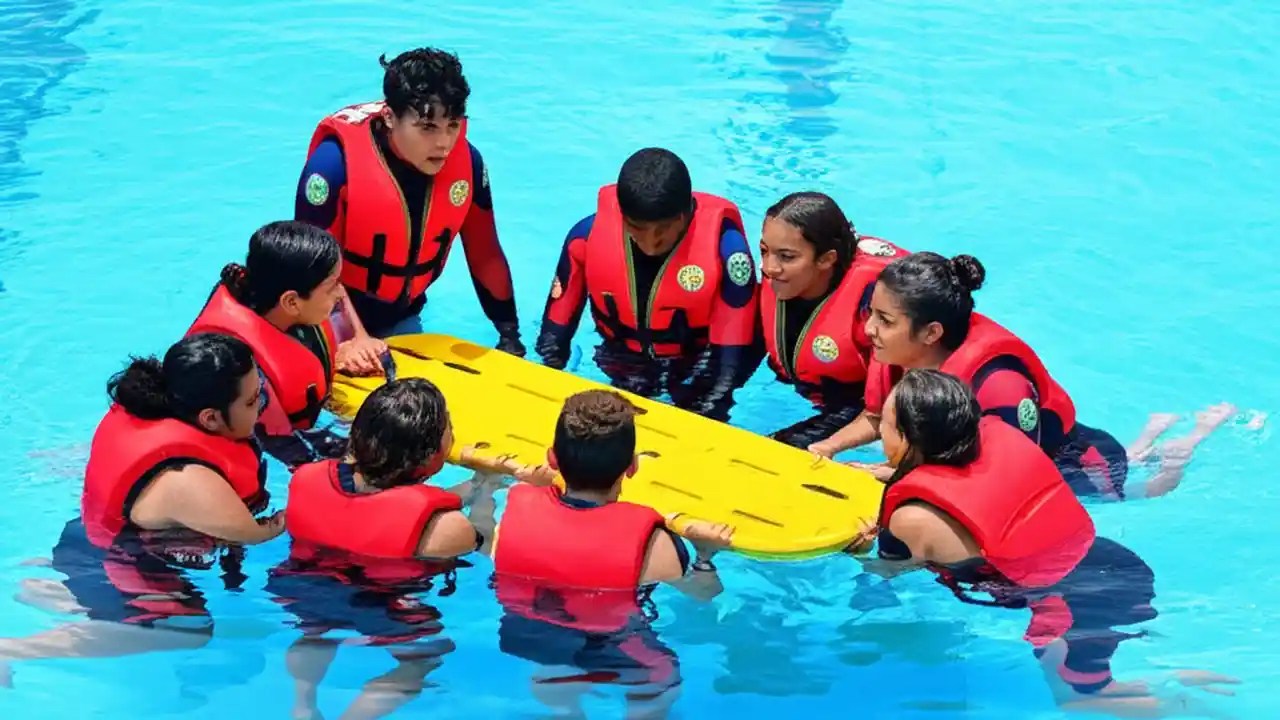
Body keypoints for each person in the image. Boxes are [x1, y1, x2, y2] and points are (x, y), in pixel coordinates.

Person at [849, 369, 1239, 714]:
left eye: (883, 424)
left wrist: (858, 543)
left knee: (1080, 700)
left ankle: (1185, 707)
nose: (879, 432)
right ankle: (1178, 678)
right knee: (1085, 673)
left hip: (1073, 600)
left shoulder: (908, 518)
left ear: (904, 438)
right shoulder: (992, 441)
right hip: (1112, 562)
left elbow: (887, 571)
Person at [812, 252, 1236, 500]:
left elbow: (1003, 475)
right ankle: (1147, 439)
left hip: (1073, 464)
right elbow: (875, 417)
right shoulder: (900, 351)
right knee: (1136, 458)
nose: (868, 330)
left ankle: (1186, 443)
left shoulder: (999, 384)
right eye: (872, 314)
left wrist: (890, 474)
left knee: (1143, 493)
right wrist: (826, 448)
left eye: (884, 320)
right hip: (1015, 457)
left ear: (930, 333)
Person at [0, 334, 283, 680]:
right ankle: (16, 649)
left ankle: (57, 592)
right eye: (254, 400)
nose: (263, 404)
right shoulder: (190, 481)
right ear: (210, 418)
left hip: (82, 540)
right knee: (187, 630)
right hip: (116, 566)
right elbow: (257, 533)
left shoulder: (162, 409)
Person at [272, 377, 527, 720]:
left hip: (306, 586)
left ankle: (302, 704)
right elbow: (480, 538)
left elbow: (379, 506)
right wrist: (486, 495)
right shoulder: (446, 528)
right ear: (432, 454)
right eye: (448, 425)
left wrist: (478, 482)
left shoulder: (308, 478)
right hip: (381, 603)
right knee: (427, 656)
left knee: (314, 634)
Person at [491, 389, 734, 717]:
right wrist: (706, 556)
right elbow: (704, 595)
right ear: (632, 467)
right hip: (610, 645)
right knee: (662, 676)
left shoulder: (512, 512)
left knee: (553, 675)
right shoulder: (655, 544)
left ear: (552, 458)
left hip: (528, 634)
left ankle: (564, 706)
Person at [295, 47, 525, 356]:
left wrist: (509, 333)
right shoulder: (333, 168)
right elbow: (310, 271)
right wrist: (353, 338)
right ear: (390, 117)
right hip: (323, 316)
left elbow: (485, 254)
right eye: (428, 128)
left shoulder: (468, 164)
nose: (444, 143)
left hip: (402, 313)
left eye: (453, 125)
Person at [534, 148, 762, 421]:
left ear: (686, 213)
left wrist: (709, 406)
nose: (650, 244)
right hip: (621, 360)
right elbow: (553, 338)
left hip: (696, 365)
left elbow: (729, 363)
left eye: (663, 231)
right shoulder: (585, 239)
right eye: (637, 229)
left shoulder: (728, 253)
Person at [187, 220, 362, 467]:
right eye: (332, 286)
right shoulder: (243, 365)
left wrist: (360, 339)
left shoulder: (289, 304)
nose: (340, 293)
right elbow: (284, 447)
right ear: (292, 302)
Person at [757, 192, 909, 448]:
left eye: (786, 257)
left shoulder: (875, 303)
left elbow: (880, 409)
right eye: (764, 251)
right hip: (806, 387)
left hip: (857, 402)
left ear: (826, 259)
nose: (769, 267)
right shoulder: (779, 276)